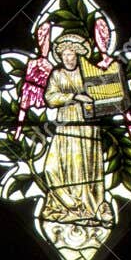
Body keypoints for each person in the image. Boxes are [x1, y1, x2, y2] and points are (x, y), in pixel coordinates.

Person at [40, 30, 108, 225]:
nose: (68, 58)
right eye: (65, 55)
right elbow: (50, 99)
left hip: (86, 123)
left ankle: (86, 206)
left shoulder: (88, 71)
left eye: (71, 54)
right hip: (65, 123)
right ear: (60, 56)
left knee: (82, 164)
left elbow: (101, 93)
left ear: (77, 54)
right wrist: (74, 96)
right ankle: (67, 204)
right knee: (51, 167)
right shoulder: (57, 74)